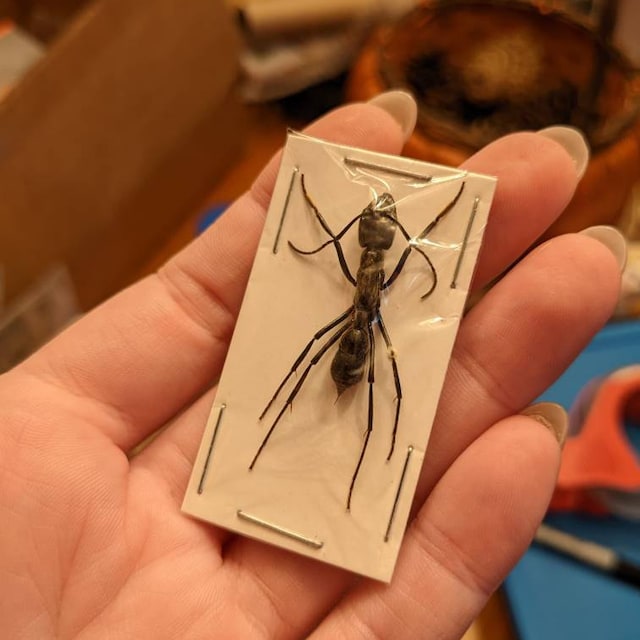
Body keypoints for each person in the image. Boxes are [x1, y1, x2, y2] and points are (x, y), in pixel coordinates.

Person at [0, 91, 624, 639]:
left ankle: (342, 458)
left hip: (362, 329)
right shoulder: (378, 267)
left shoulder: (379, 272)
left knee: (371, 380)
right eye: (373, 235)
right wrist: (319, 202)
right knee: (322, 364)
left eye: (377, 237)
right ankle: (282, 434)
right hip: (357, 328)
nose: (375, 242)